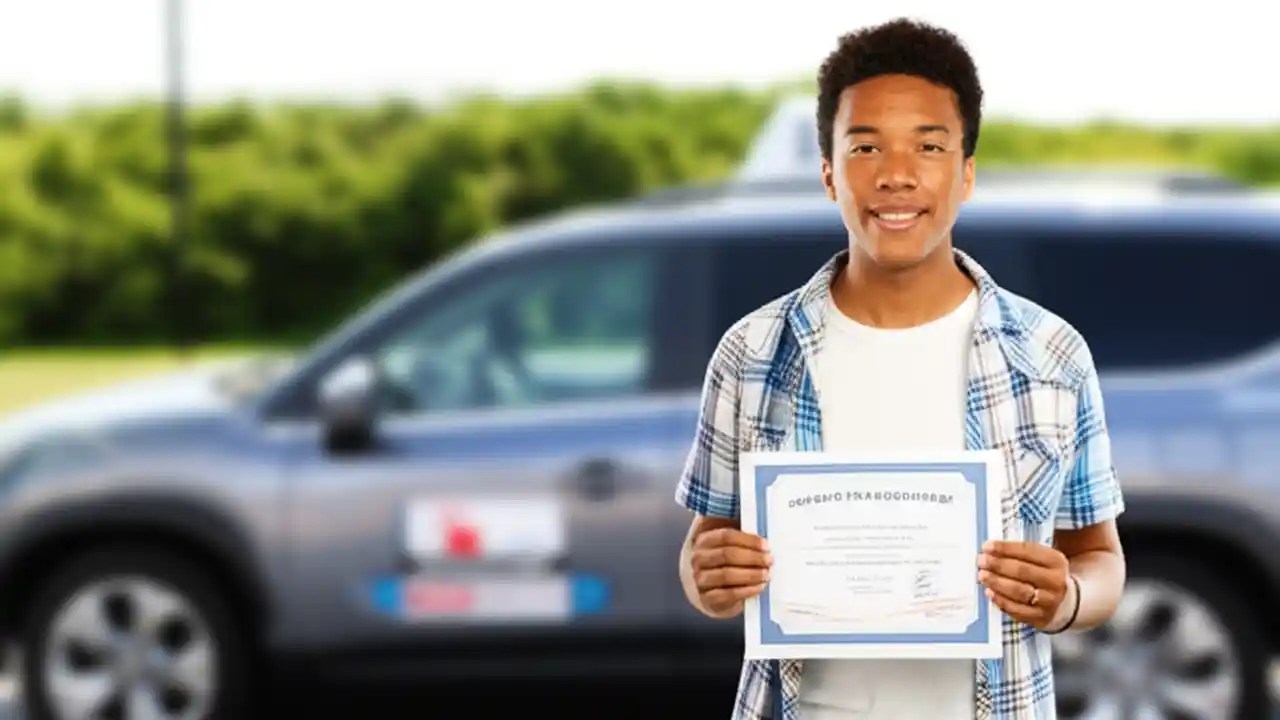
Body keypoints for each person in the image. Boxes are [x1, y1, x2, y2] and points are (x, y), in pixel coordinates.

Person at [674, 17, 1127, 720]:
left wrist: (1066, 597)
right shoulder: (751, 353)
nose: (896, 173)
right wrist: (707, 580)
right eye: (865, 146)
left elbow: (1100, 558)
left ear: (966, 172)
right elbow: (704, 548)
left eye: (928, 144)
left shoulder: (1052, 355)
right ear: (828, 173)